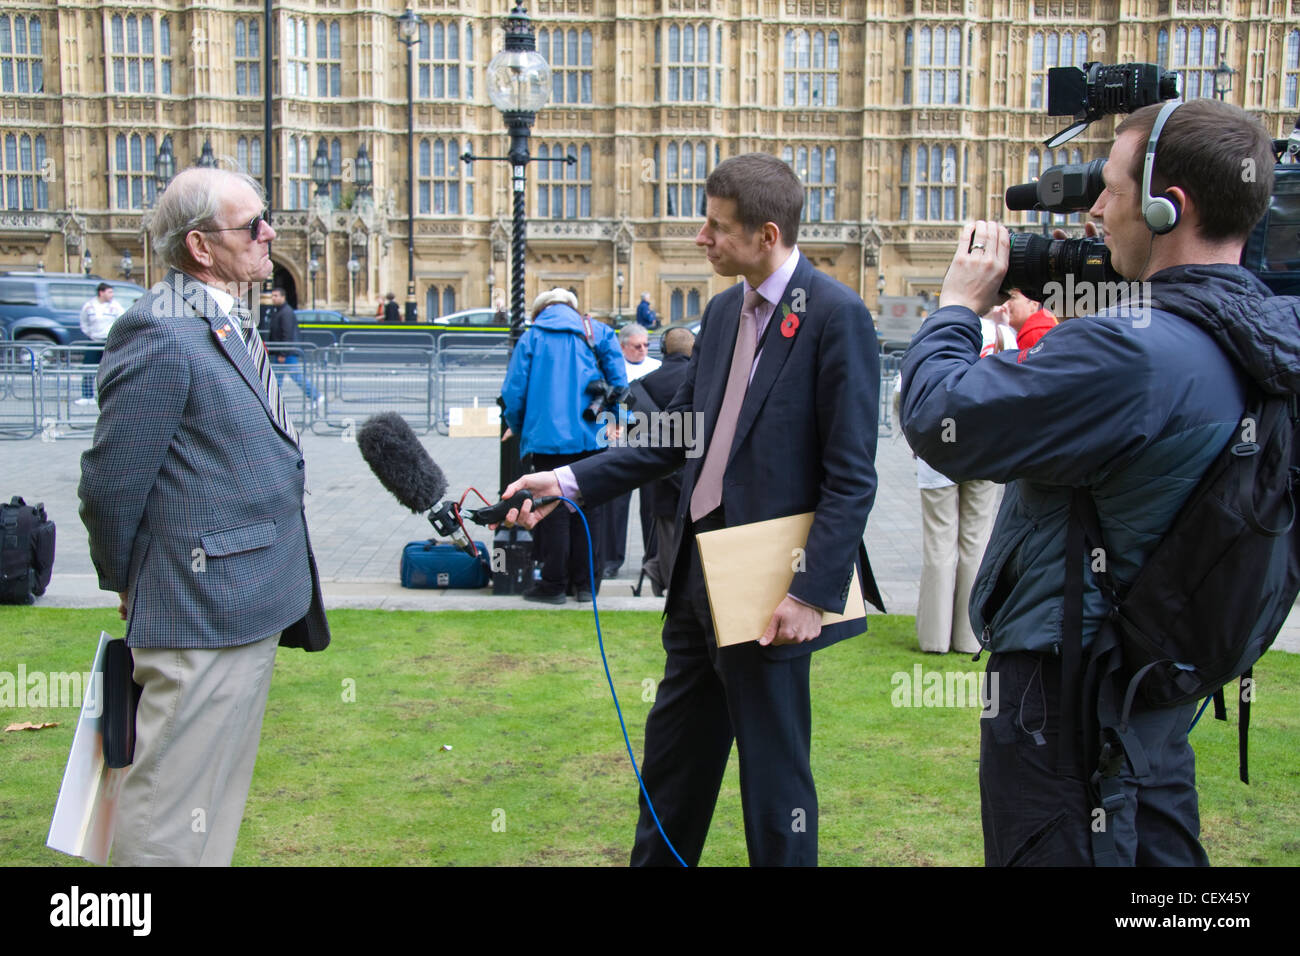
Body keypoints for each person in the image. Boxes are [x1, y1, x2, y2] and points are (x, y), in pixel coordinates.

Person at [899, 98, 1298, 866]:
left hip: (1067, 694)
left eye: (1109, 190)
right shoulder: (1262, 340)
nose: (1094, 213)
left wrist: (954, 308)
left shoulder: (1132, 355)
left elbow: (940, 418)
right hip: (1158, 687)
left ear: (1165, 206)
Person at [500, 153, 883, 866]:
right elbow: (676, 437)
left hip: (771, 585)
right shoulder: (721, 310)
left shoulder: (837, 315)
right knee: (673, 766)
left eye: (715, 227)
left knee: (776, 785)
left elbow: (853, 478)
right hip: (697, 577)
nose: (701, 238)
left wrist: (809, 592)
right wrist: (568, 483)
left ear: (766, 235)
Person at [78, 166, 331, 866]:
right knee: (166, 811)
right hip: (196, 607)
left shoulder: (217, 317)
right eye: (252, 225)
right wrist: (126, 579)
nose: (269, 234)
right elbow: (111, 480)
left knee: (209, 801)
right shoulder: (159, 329)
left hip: (247, 601)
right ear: (199, 246)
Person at [499, 288, 627, 604]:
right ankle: (585, 585)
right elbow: (621, 384)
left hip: (547, 437)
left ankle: (554, 584)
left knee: (550, 507)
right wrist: (618, 421)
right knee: (589, 507)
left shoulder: (531, 338)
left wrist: (515, 425)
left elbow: (514, 391)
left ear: (541, 311)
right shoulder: (599, 332)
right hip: (591, 434)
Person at [907, 309, 1013, 654]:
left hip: (939, 454)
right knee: (976, 543)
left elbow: (905, 391)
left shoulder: (937, 330)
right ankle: (969, 635)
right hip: (987, 452)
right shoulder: (1003, 335)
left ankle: (934, 638)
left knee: (939, 545)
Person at [635, 326, 696, 596]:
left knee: (665, 531)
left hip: (658, 471)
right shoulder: (703, 382)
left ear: (663, 348)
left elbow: (635, 435)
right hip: (696, 472)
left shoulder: (644, 385)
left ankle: (662, 575)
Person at [598, 323, 662, 577]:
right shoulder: (614, 370)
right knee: (615, 503)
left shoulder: (657, 367)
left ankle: (653, 559)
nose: (643, 350)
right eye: (637, 346)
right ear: (623, 346)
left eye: (646, 345)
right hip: (622, 434)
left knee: (652, 503)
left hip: (649, 435)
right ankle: (611, 561)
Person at [266, 286, 321, 409]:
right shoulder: (279, 311)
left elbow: (287, 333)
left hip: (286, 353)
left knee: (295, 376)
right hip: (282, 351)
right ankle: (273, 402)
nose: (273, 298)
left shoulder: (286, 312)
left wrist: (283, 353)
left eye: (276, 296)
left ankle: (316, 396)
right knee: (277, 379)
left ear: (283, 297)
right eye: (272, 296)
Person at [76, 282, 124, 405]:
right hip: (94, 340)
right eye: (109, 292)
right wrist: (90, 334)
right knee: (88, 368)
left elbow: (122, 321)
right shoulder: (89, 306)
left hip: (108, 342)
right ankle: (87, 396)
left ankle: (110, 396)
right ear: (101, 292)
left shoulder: (115, 306)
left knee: (110, 369)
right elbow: (84, 322)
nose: (112, 295)